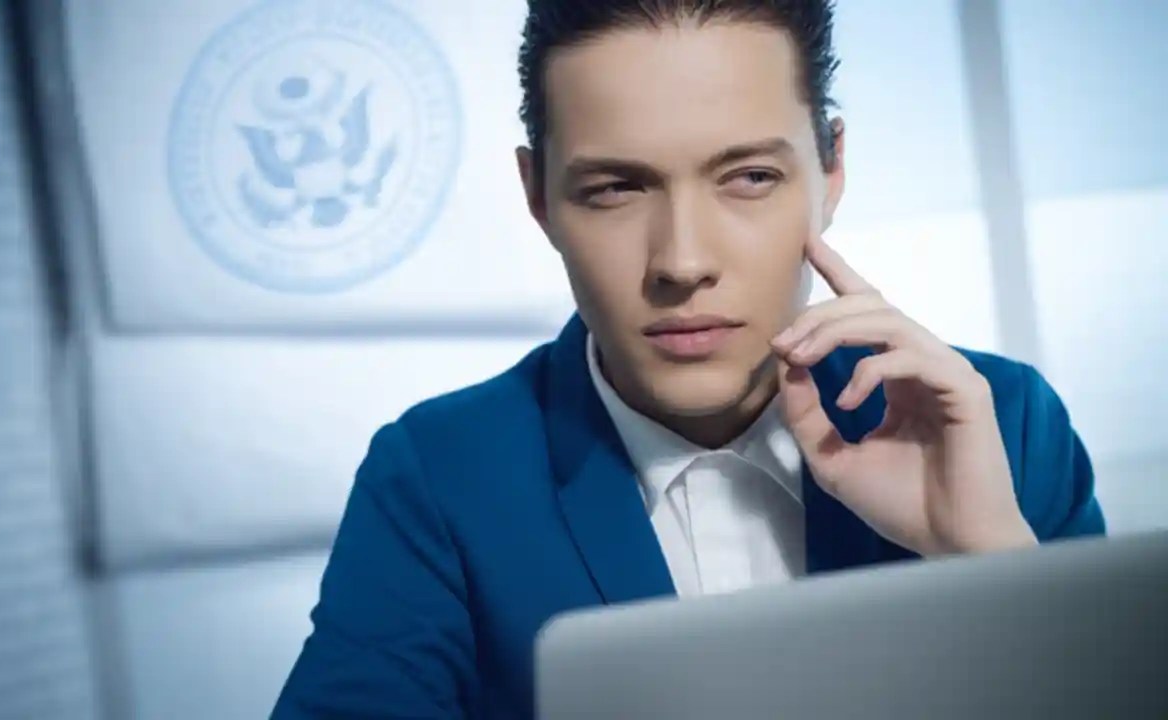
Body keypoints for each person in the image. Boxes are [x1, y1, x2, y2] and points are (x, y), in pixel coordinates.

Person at [272, 1, 1105, 717]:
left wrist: (987, 560)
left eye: (746, 177)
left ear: (832, 167)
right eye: (616, 189)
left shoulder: (1001, 422)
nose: (681, 261)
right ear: (538, 196)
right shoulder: (440, 476)